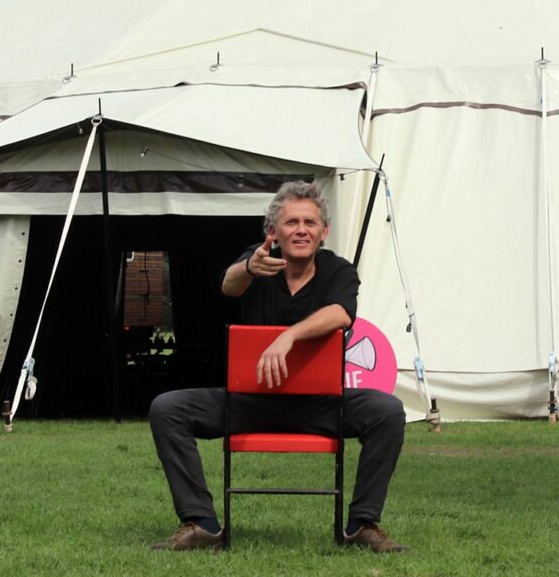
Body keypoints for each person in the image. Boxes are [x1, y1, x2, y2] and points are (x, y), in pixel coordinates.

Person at [148, 181, 409, 553]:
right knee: (167, 408)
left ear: (324, 232)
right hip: (251, 402)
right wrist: (249, 267)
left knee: (387, 411)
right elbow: (228, 285)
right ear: (273, 230)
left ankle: (363, 525)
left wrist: (289, 336)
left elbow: (341, 314)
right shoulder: (259, 262)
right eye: (290, 222)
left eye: (309, 222)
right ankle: (201, 524)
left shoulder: (339, 270)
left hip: (320, 406)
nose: (300, 230)